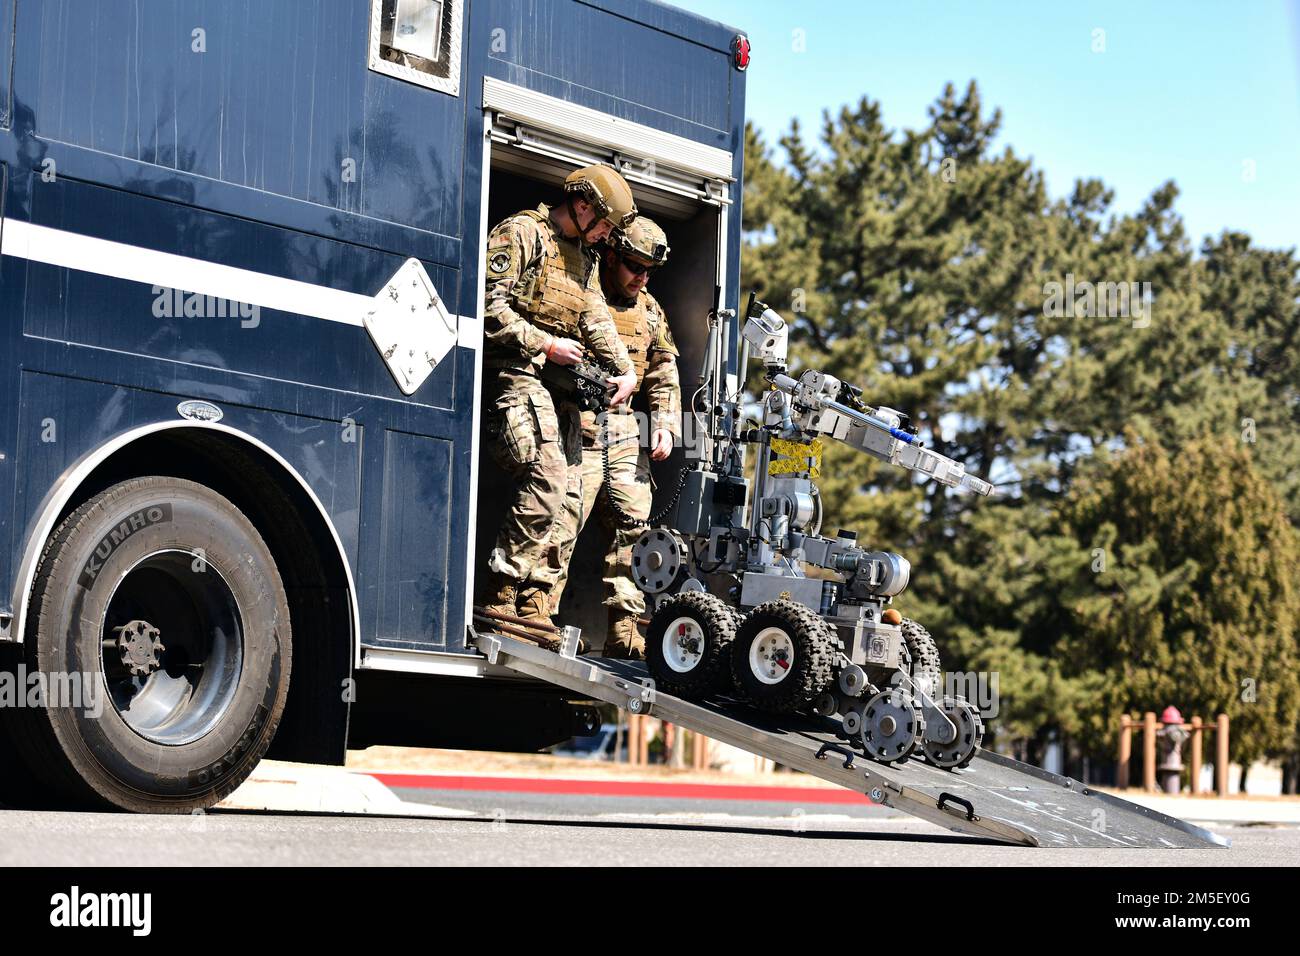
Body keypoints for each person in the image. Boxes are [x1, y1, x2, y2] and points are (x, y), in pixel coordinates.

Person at [477, 165, 639, 628]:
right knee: (547, 478)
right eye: (605, 224)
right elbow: (486, 304)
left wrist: (625, 371)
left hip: (555, 388)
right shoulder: (523, 233)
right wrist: (546, 344)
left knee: (568, 494)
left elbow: (594, 318)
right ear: (583, 206)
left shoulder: (585, 257)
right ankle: (500, 590)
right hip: (513, 373)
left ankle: (533, 600)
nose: (607, 236)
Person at [550, 216, 681, 659]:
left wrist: (663, 423)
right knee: (562, 515)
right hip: (575, 419)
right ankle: (537, 612)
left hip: (625, 427)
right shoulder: (579, 291)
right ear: (610, 254)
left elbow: (663, 371)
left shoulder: (649, 309)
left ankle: (625, 631)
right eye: (633, 266)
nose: (641, 277)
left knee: (634, 526)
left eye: (649, 271)